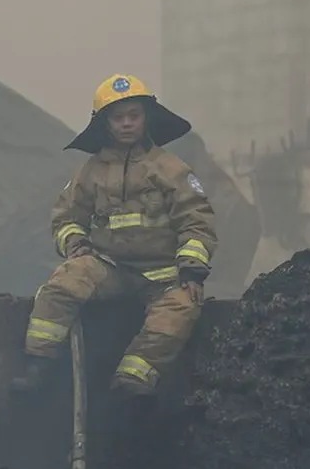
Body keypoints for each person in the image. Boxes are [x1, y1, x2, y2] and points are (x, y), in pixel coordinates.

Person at [11, 73, 218, 400]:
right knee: (63, 282)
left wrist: (192, 269)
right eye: (118, 117)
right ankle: (39, 362)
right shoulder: (90, 172)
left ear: (146, 118)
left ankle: (130, 385)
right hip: (109, 267)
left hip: (164, 275)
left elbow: (197, 220)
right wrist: (76, 244)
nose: (126, 123)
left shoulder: (172, 169)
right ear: (105, 124)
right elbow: (66, 217)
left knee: (180, 309)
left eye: (133, 115)